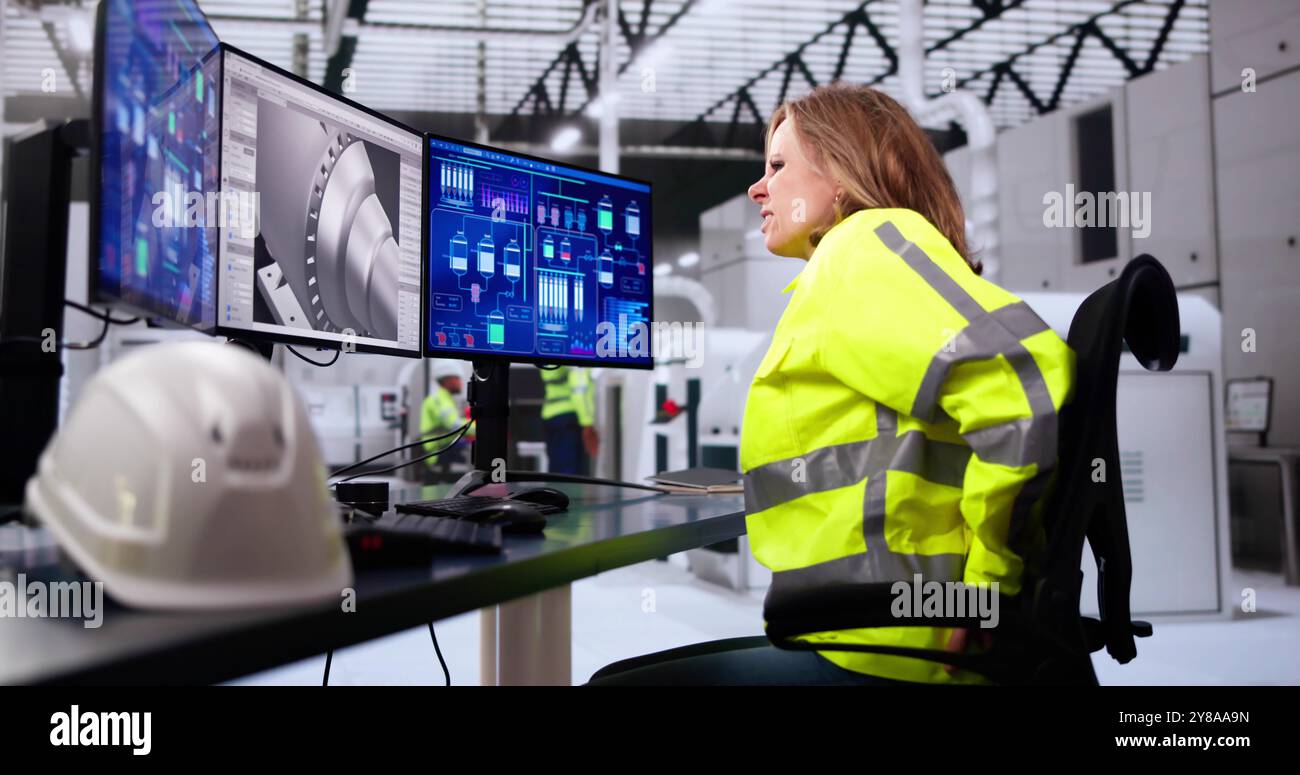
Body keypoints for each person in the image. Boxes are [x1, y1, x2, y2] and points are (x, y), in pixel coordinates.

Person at [588, 83, 1073, 686]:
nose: (756, 188)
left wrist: (988, 590)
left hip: (890, 650)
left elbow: (1023, 383)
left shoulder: (859, 251)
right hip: (875, 634)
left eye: (777, 165)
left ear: (841, 173)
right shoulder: (848, 270)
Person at [538, 366, 597, 475]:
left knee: (556, 470)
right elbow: (580, 391)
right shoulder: (575, 356)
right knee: (571, 471)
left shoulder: (547, 358)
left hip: (549, 415)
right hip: (568, 417)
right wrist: (587, 424)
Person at [420, 360, 470, 475]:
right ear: (447, 380)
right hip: (438, 452)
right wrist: (482, 427)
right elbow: (454, 425)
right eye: (457, 378)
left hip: (444, 449)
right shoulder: (439, 400)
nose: (460, 382)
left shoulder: (445, 399)